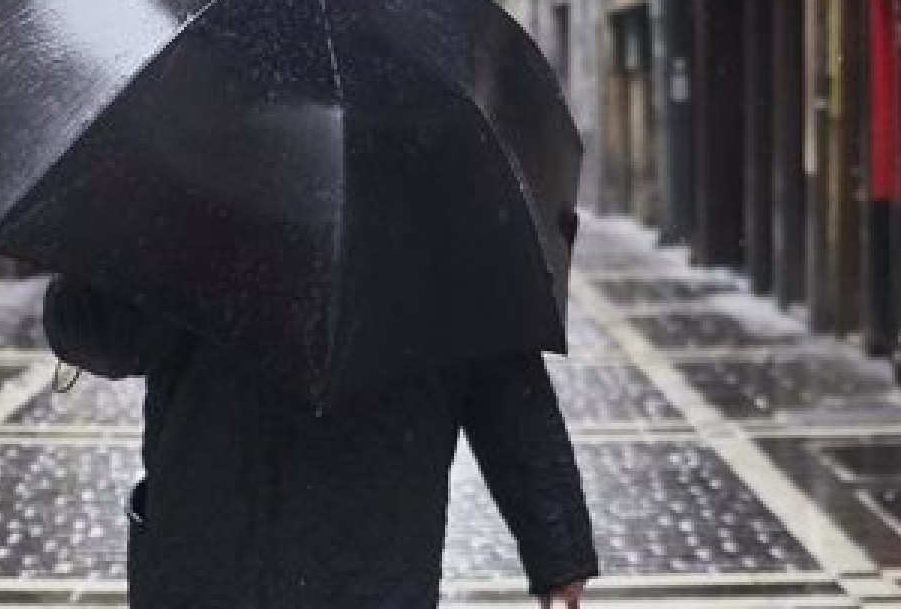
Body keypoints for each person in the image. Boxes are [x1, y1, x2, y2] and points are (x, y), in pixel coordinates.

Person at [43, 229, 598, 609]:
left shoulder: (193, 186)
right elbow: (507, 390)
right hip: (374, 556)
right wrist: (558, 553)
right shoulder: (444, 204)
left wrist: (86, 256)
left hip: (210, 549)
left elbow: (102, 336)